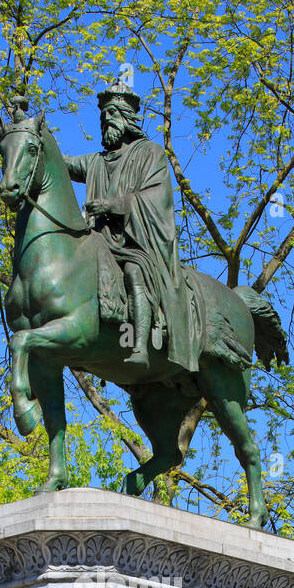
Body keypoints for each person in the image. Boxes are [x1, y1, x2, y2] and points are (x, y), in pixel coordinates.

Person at [65, 80, 199, 371]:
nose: (105, 122)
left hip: (136, 244)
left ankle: (139, 345)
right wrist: (29, 134)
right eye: (102, 117)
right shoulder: (96, 161)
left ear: (126, 118)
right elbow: (62, 163)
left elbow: (156, 199)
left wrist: (112, 205)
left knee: (134, 271)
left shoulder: (149, 153)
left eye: (111, 115)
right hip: (100, 244)